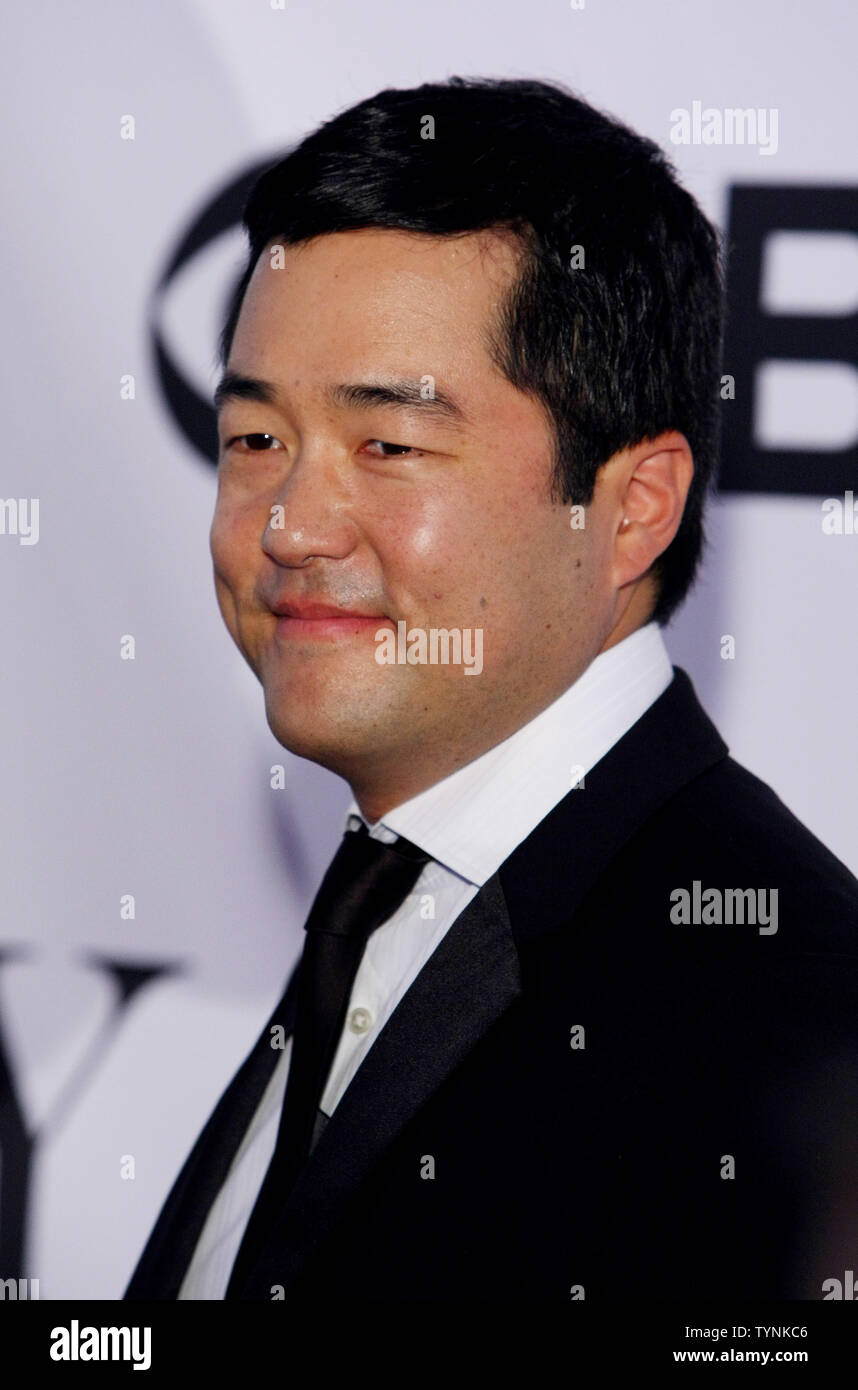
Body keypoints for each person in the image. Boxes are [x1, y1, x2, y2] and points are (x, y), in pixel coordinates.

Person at [125, 76, 858, 1302]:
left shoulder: (791, 1028)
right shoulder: (380, 897)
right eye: (257, 440)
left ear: (631, 510)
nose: (292, 525)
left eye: (390, 447)